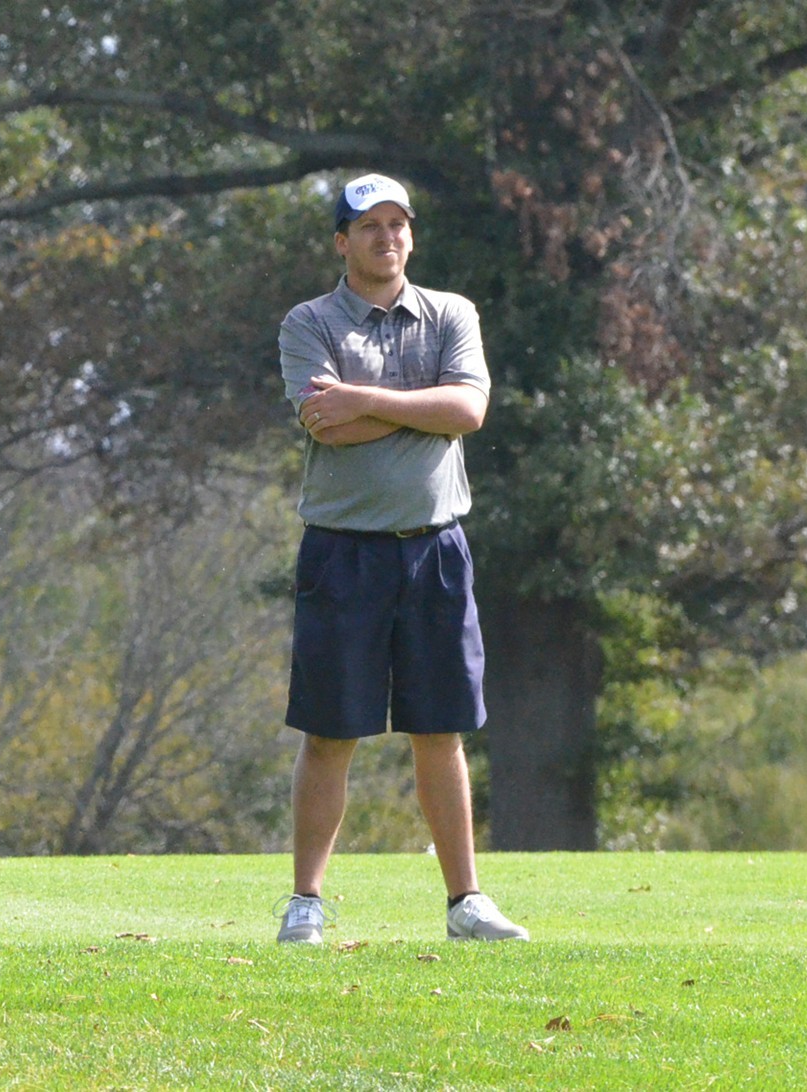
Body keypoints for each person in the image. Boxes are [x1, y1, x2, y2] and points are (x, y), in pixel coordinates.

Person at [275, 173, 529, 946]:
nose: (387, 237)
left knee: (440, 729)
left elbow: (469, 410)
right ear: (342, 242)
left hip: (436, 548)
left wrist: (368, 399)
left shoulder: (451, 313)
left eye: (398, 224)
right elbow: (327, 426)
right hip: (341, 552)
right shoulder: (309, 322)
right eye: (370, 226)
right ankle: (307, 902)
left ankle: (466, 904)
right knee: (329, 733)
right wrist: (419, 410)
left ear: (410, 235)